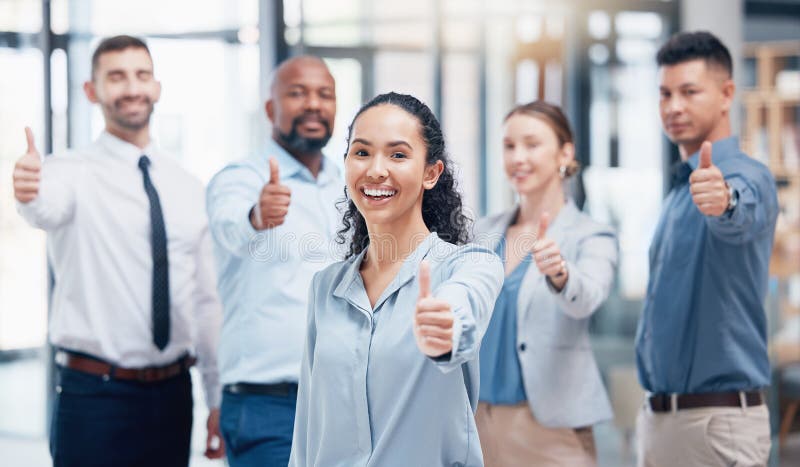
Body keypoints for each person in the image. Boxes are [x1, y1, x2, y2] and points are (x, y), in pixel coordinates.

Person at [12, 35, 223, 467]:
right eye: (116, 76)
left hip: (172, 395)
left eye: (141, 75)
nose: (131, 88)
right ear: (92, 91)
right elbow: (43, 208)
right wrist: (27, 192)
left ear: (156, 87)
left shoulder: (188, 186)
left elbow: (205, 303)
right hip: (93, 397)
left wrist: (215, 396)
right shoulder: (67, 172)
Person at [288, 92, 504, 467]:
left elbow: (464, 307)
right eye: (362, 152)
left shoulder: (469, 267)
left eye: (398, 155)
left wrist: (446, 328)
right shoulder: (326, 288)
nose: (376, 169)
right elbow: (307, 430)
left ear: (430, 173)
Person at [635, 31, 778, 467]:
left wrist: (726, 201)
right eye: (665, 93)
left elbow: (740, 209)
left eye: (689, 91)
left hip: (718, 426)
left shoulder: (747, 177)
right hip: (660, 421)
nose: (673, 106)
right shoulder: (678, 193)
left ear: (726, 94)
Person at [205, 55, 341, 467]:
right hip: (268, 406)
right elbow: (232, 227)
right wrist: (258, 216)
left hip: (342, 399)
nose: (313, 104)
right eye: (297, 93)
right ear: (270, 109)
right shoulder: (240, 178)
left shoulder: (349, 185)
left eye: (325, 94)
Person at [473, 101, 618, 467]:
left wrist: (561, 274)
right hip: (477, 424)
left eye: (532, 144)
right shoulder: (482, 232)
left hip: (548, 431)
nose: (518, 157)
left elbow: (587, 296)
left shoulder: (590, 234)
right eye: (509, 146)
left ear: (564, 152)